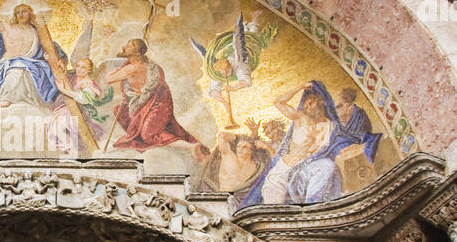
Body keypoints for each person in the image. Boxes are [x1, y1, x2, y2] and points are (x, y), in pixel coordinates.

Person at [236, 80, 381, 209]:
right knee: (273, 212)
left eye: (311, 103)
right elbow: (278, 102)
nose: (308, 107)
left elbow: (341, 144)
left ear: (322, 102)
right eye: (305, 105)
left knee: (327, 166)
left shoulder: (332, 127)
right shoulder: (301, 119)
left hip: (306, 169)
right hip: (282, 172)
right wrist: (300, 87)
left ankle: (313, 207)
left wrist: (353, 146)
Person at [106, 40, 201, 152]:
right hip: (147, 104)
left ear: (136, 53)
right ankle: (141, 138)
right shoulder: (148, 64)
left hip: (155, 105)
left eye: (129, 46)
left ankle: (190, 147)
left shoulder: (131, 68)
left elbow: (108, 79)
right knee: (119, 111)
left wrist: (118, 70)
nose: (124, 47)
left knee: (148, 134)